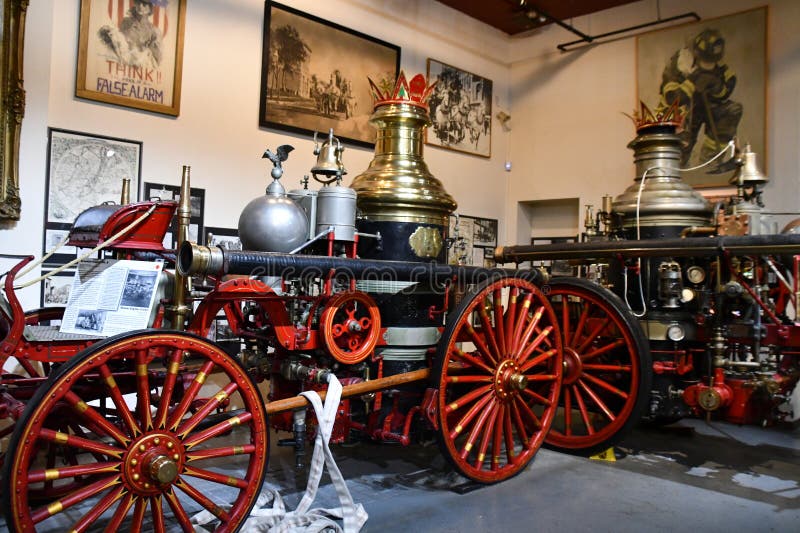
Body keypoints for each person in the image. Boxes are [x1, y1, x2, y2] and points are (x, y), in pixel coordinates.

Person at [659, 28, 742, 169]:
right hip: (683, 110)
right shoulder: (679, 66)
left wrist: (716, 86)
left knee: (732, 110)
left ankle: (710, 159)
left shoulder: (723, 71)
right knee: (681, 149)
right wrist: (692, 82)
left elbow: (725, 92)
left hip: (708, 107)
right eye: (704, 61)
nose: (707, 66)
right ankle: (678, 166)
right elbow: (672, 98)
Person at [99, 0, 165, 68]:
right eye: (138, 2)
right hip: (123, 64)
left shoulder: (155, 31)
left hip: (142, 68)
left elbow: (157, 60)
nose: (140, 6)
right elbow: (119, 46)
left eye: (144, 4)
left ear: (150, 7)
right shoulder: (126, 22)